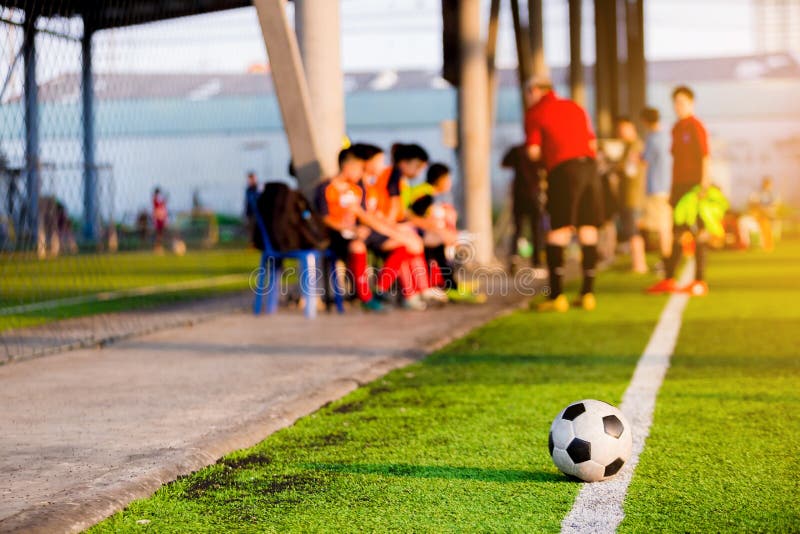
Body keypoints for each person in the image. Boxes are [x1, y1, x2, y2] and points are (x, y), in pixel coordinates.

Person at [524, 75, 602, 312]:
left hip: (563, 171)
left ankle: (556, 296)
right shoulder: (574, 107)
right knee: (588, 229)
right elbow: (593, 144)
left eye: (528, 92)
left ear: (536, 90)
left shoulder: (537, 112)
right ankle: (588, 293)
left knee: (558, 230)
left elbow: (533, 152)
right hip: (590, 169)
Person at [356, 142, 448, 307]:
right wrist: (396, 229)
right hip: (378, 229)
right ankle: (406, 291)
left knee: (412, 243)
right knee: (410, 244)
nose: (382, 166)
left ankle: (418, 290)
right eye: (418, 166)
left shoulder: (391, 179)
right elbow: (389, 212)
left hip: (384, 226)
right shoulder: (392, 176)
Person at [647, 86, 711, 296]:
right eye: (676, 103)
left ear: (692, 103)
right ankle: (669, 278)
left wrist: (704, 184)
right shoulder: (675, 128)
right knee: (676, 233)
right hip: (679, 187)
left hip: (694, 187)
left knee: (699, 233)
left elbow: (705, 156)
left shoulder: (696, 126)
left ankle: (700, 281)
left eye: (682, 102)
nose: (678, 106)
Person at [407, 162, 485, 303]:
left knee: (444, 242)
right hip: (414, 235)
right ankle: (448, 286)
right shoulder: (425, 194)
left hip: (424, 235)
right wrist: (441, 232)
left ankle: (451, 284)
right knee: (440, 242)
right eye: (447, 178)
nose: (449, 182)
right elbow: (412, 217)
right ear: (440, 179)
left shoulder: (433, 193)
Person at [501, 144, 546, 269]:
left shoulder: (517, 150)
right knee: (535, 230)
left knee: (519, 230)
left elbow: (504, 163)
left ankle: (515, 260)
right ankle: (535, 262)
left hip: (520, 195)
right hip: (532, 196)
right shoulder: (538, 151)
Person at [639, 107, 673, 267]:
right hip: (668, 186)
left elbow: (645, 160)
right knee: (666, 225)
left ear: (645, 121)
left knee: (661, 227)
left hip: (656, 188)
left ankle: (666, 260)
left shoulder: (652, 138)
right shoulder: (667, 136)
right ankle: (668, 259)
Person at [615, 117, 647, 273]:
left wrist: (618, 167)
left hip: (633, 196)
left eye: (623, 129)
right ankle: (638, 264)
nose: (620, 133)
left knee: (633, 231)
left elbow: (630, 170)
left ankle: (639, 265)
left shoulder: (635, 147)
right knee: (632, 231)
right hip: (630, 196)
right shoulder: (629, 146)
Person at [244, 171, 259, 244]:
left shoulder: (258, 188)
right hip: (250, 213)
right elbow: (247, 203)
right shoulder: (248, 190)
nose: (250, 180)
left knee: (257, 229)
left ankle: (257, 243)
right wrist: (246, 213)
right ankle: (251, 243)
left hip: (257, 213)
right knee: (250, 229)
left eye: (252, 178)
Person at [152, 187, 168, 253]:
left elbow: (164, 202)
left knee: (161, 234)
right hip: (158, 219)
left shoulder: (161, 204)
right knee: (158, 234)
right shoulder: (156, 202)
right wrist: (156, 193)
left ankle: (159, 247)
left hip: (162, 219)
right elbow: (155, 199)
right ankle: (157, 248)